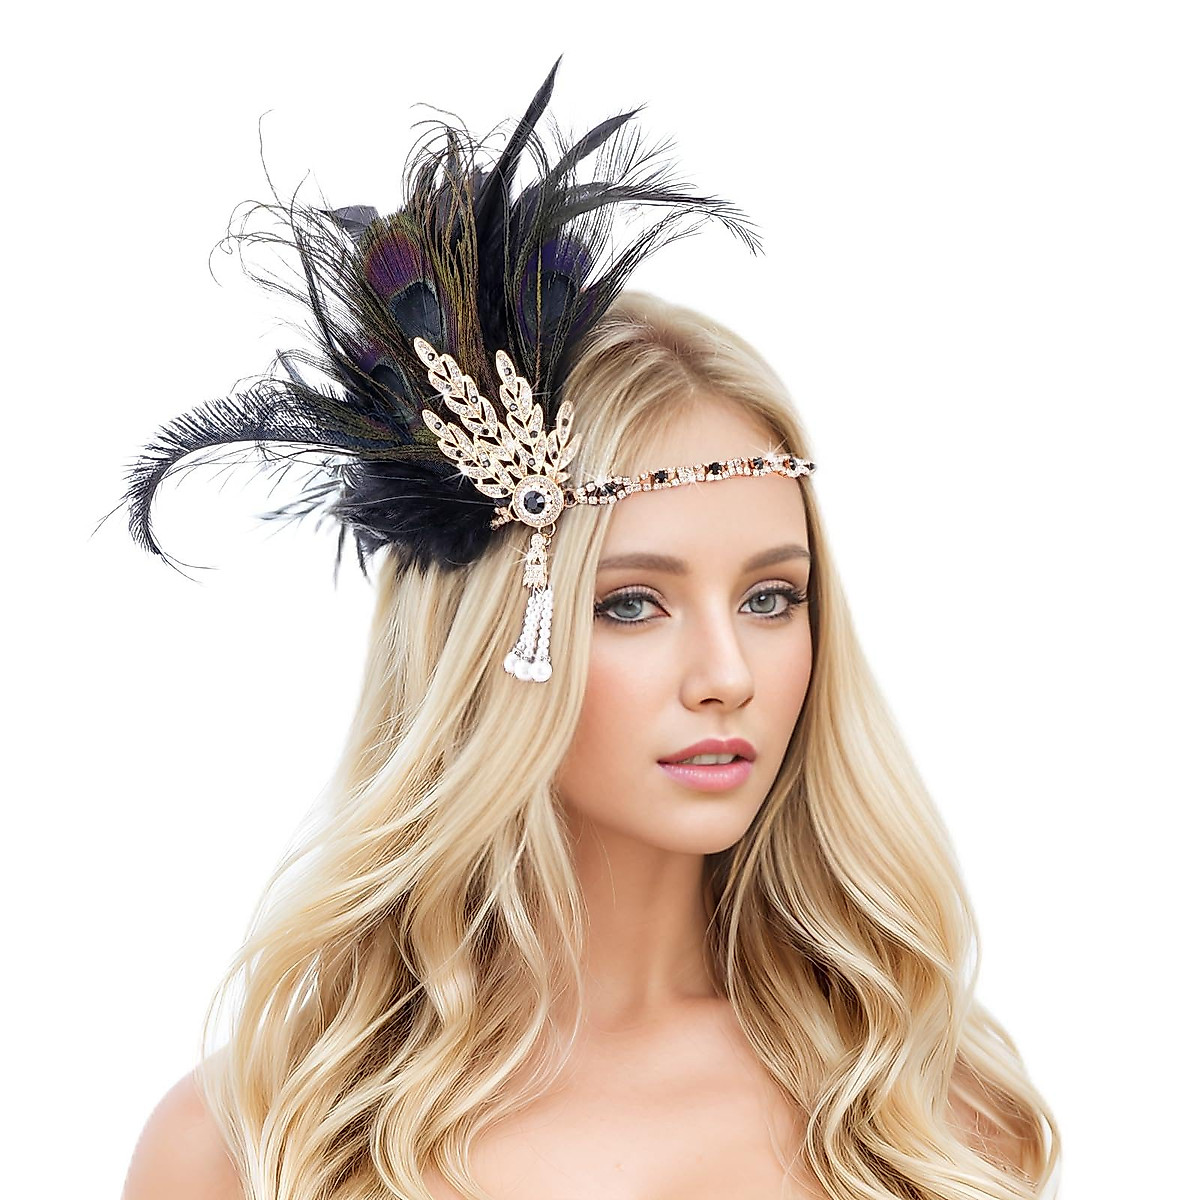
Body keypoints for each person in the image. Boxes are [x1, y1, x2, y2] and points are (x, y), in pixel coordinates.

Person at [118, 63, 1061, 1200]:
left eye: (771, 598)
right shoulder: (255, 1142)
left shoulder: (925, 1113)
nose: (727, 675)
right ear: (483, 645)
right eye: (631, 604)